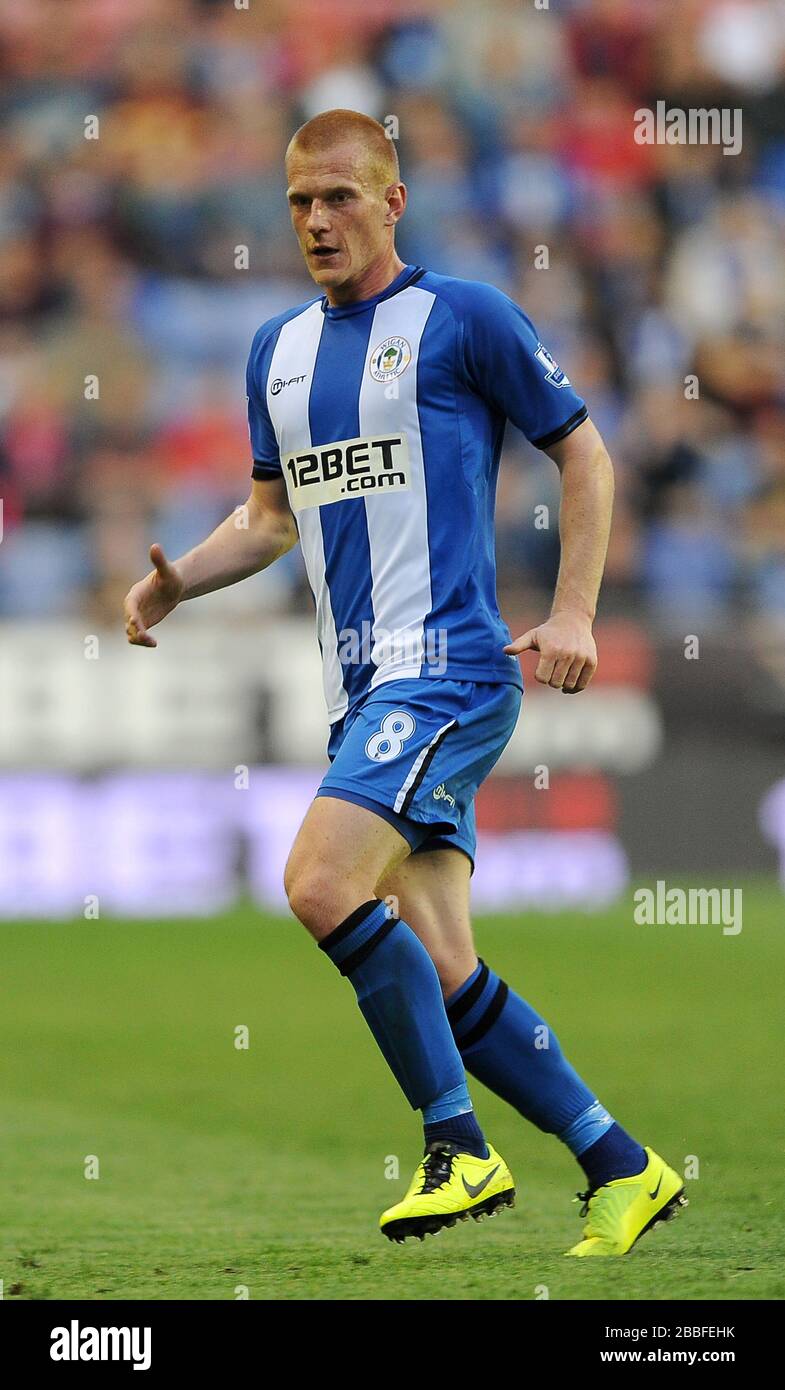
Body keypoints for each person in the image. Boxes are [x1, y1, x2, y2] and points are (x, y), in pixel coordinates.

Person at [124, 109, 686, 1254]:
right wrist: (180, 580)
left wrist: (574, 606)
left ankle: (456, 1150)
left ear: (391, 201)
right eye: (297, 202)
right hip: (359, 692)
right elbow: (270, 521)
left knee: (319, 883)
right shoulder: (273, 351)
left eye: (338, 197)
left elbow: (579, 448)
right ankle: (620, 1165)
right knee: (438, 959)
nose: (316, 220)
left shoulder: (462, 317)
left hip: (445, 673)